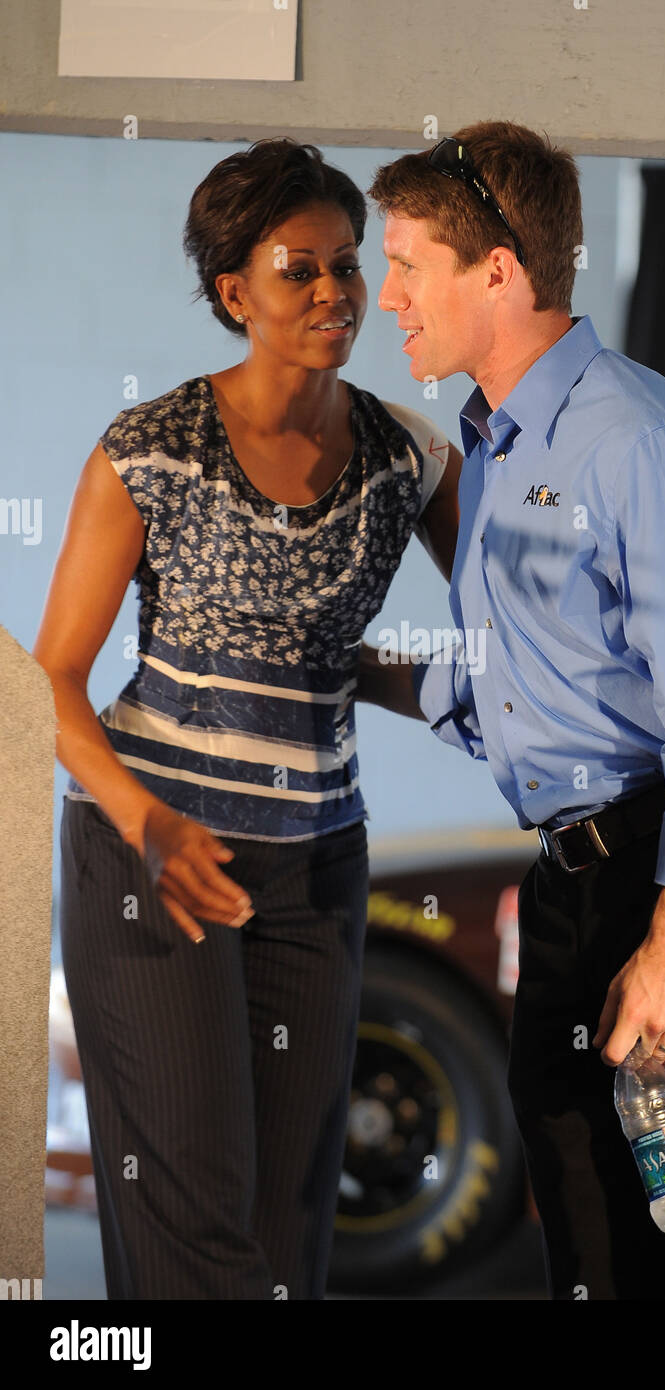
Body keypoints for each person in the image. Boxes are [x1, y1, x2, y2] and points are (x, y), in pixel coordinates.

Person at [357, 120, 665, 1300]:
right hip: (573, 881)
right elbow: (532, 695)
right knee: (585, 1218)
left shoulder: (641, 443)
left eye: (407, 263)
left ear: (498, 271)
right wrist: (353, 670)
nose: (386, 298)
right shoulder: (497, 443)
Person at [33, 138, 462, 1300]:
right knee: (196, 1237)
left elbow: (496, 630)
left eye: (346, 267)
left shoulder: (406, 456)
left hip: (316, 864)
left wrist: (442, 690)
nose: (335, 295)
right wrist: (144, 823)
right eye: (298, 271)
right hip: (152, 850)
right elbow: (49, 684)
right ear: (236, 293)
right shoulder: (150, 451)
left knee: (285, 1253)